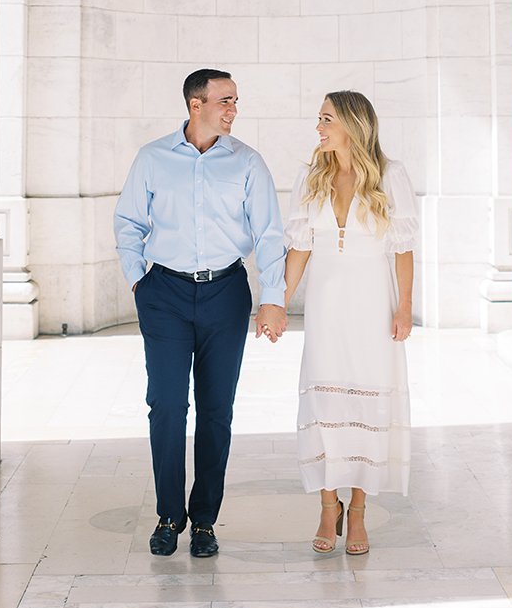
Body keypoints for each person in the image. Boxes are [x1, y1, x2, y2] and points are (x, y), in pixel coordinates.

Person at [113, 68, 288, 559]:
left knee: (216, 411)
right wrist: (139, 280)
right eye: (225, 100)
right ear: (196, 104)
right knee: (166, 406)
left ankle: (205, 521)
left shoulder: (247, 163)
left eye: (235, 101)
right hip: (163, 292)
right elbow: (128, 221)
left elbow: (270, 234)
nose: (234, 109)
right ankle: (169, 516)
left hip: (225, 293)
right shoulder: (152, 158)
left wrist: (272, 297)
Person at [283, 90, 415, 555]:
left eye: (326, 120)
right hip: (325, 306)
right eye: (318, 119)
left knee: (366, 404)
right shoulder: (310, 177)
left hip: (371, 305)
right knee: (325, 405)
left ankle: (357, 509)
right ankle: (326, 506)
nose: (318, 128)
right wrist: (278, 301)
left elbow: (402, 250)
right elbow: (299, 246)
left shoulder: (390, 176)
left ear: (353, 125)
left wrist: (404, 309)